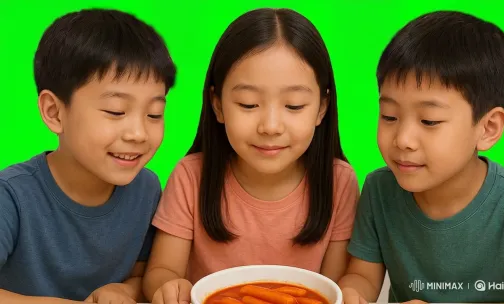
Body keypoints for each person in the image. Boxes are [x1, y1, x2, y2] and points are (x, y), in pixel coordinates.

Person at [142, 8, 359, 304]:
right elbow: (162, 270)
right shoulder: (191, 176)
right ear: (217, 104)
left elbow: (330, 287)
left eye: (294, 106)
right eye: (248, 104)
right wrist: (168, 286)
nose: (270, 126)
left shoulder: (339, 181)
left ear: (322, 108)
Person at [338, 10, 504, 304]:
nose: (403, 140)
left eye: (429, 121)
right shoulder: (379, 190)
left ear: (488, 128)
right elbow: (363, 274)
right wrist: (352, 292)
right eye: (389, 115)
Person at [0, 8, 176, 304]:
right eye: (116, 111)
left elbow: (142, 271)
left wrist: (124, 290)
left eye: (154, 113)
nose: (138, 133)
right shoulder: (12, 196)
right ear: (54, 112)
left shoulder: (146, 188)